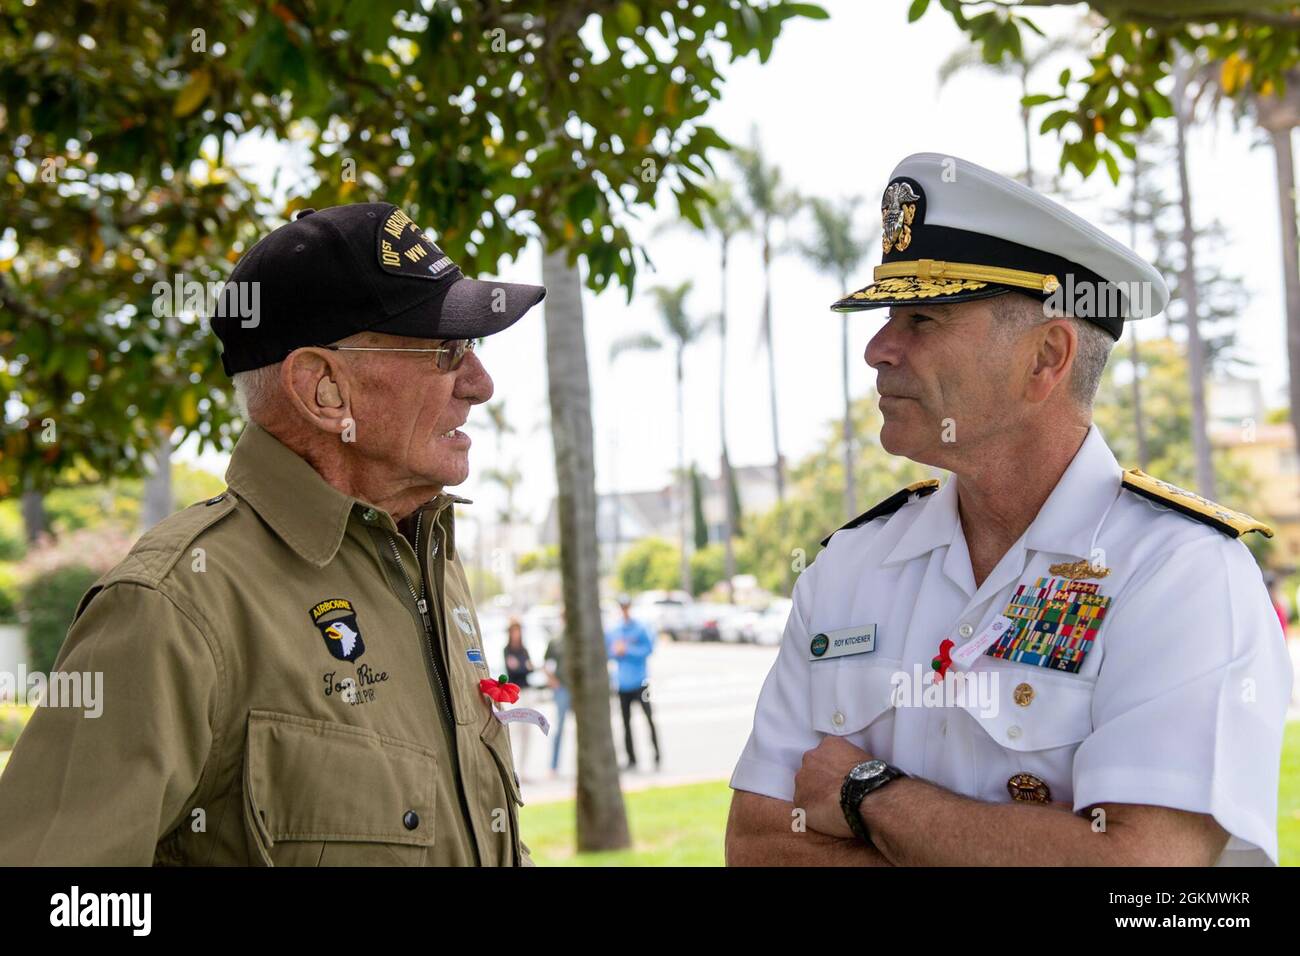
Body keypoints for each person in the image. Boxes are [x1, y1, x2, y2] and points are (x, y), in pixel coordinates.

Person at [725, 154, 1292, 867]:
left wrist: (865, 793)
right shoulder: (849, 567)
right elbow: (758, 843)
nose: (878, 349)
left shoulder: (1182, 574)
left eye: (922, 318)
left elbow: (1141, 870)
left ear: (1045, 359)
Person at [0, 203, 546, 865]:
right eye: (446, 350)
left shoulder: (426, 559)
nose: (480, 384)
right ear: (323, 391)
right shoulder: (175, 607)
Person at [605, 594, 661, 771]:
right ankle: (631, 758)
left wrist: (627, 650)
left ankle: (657, 754)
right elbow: (609, 653)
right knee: (625, 722)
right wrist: (616, 652)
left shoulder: (641, 628)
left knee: (648, 718)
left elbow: (649, 649)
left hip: (641, 681)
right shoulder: (614, 630)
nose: (625, 610)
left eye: (627, 606)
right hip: (623, 683)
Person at [502, 617, 535, 780]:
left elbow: (529, 670)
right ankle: (513, 768)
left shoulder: (524, 650)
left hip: (527, 691)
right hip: (514, 693)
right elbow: (514, 671)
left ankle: (524, 769)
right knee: (515, 731)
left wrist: (523, 667)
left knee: (527, 732)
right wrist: (524, 667)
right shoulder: (507, 650)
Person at [543, 628, 571, 776]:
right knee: (559, 728)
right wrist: (552, 680)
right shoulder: (556, 641)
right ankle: (553, 766)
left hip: (578, 689)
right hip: (562, 689)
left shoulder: (580, 638)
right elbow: (546, 664)